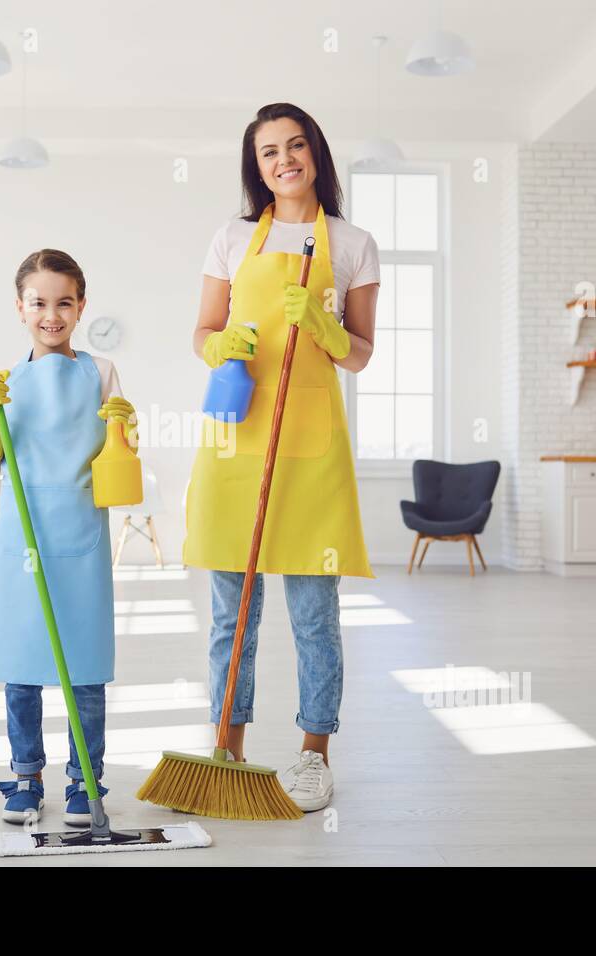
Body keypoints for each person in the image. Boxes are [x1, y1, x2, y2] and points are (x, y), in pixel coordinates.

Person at [184, 103, 379, 811]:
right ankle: (227, 752)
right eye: (269, 152)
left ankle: (312, 755)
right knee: (231, 617)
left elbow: (359, 354)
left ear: (316, 154)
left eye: (295, 146)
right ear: (256, 166)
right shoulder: (233, 237)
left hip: (310, 447)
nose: (284, 159)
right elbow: (203, 329)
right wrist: (219, 346)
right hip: (235, 438)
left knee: (314, 617)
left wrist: (324, 325)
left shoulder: (354, 243)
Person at [0, 248, 137, 827]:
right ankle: (24, 778)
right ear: (20, 308)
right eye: (38, 302)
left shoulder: (102, 373)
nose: (51, 313)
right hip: (24, 537)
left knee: (85, 670)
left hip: (82, 536)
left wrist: (125, 430)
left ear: (81, 306)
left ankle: (83, 781)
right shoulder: (4, 381)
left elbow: (118, 467)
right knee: (22, 666)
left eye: (63, 302)